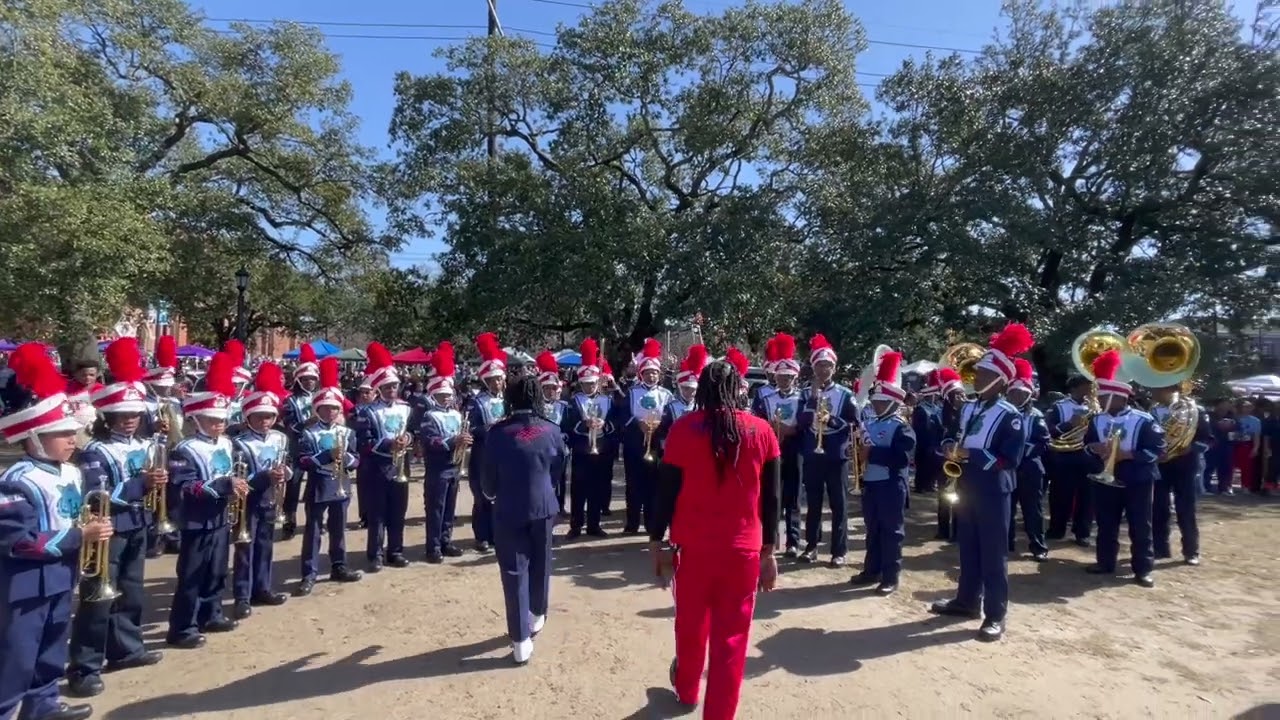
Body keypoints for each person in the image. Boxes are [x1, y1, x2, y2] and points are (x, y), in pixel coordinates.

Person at [650, 353, 780, 720]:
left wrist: (655, 541)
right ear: (738, 389)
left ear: (702, 389)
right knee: (732, 641)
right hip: (744, 551)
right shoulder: (763, 431)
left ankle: (688, 688)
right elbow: (772, 499)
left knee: (690, 626)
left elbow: (666, 492)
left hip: (692, 550)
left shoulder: (682, 429)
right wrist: (770, 553)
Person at [0, 344, 110, 720]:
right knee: (16, 655)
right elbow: (18, 540)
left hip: (63, 573)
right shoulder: (17, 479)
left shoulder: (72, 472)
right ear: (35, 439)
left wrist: (90, 529)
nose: (71, 439)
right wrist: (82, 537)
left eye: (71, 432)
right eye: (61, 433)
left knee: (51, 646)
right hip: (27, 582)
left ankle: (43, 706)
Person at [66, 339, 165, 697]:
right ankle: (85, 666)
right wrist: (142, 484)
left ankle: (126, 649)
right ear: (107, 416)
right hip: (109, 529)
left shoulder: (144, 445)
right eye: (123, 415)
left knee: (132, 592)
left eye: (135, 414)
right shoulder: (96, 450)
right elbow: (98, 495)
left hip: (138, 523)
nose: (130, 421)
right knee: (97, 597)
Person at [930, 323, 1033, 641]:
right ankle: (966, 601)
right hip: (967, 485)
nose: (978, 378)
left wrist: (972, 455)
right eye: (978, 373)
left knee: (993, 552)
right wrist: (950, 446)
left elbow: (1010, 459)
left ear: (1001, 379)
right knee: (968, 547)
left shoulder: (1010, 414)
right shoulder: (969, 407)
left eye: (986, 375)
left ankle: (996, 615)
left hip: (993, 488)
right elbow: (953, 434)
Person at [481, 375, 565, 664]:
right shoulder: (551, 430)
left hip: (508, 508)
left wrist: (493, 493)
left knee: (514, 572)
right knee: (542, 562)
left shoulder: (497, 433)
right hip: (543, 505)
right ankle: (537, 612)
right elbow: (558, 469)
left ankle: (520, 640)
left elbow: (488, 479)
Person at [166, 351, 246, 647]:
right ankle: (182, 627)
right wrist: (223, 485)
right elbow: (184, 486)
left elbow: (235, 470)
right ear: (196, 417)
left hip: (221, 516)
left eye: (221, 419)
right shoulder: (185, 449)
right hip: (197, 519)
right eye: (212, 419)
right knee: (191, 575)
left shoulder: (227, 443)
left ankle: (211, 612)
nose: (219, 424)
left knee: (216, 569)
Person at [1083, 350, 1165, 588]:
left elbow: (1157, 450)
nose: (1101, 400)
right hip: (1105, 479)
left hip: (1136, 478)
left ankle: (1143, 569)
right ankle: (1105, 562)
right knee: (1106, 523)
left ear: (1120, 397)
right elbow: (1086, 446)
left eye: (1105, 395)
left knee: (1140, 524)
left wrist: (1128, 454)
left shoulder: (1144, 420)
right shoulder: (1097, 420)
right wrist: (1095, 449)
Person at [848, 350, 914, 595]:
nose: (875, 403)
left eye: (880, 401)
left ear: (892, 402)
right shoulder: (871, 424)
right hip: (872, 484)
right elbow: (861, 450)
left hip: (891, 485)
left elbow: (902, 458)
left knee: (891, 531)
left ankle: (890, 576)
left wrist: (871, 454)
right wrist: (853, 451)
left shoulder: (901, 427)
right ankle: (871, 570)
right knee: (872, 529)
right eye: (875, 400)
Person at [296, 358, 363, 594]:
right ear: (317, 409)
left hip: (341, 483)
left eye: (335, 408)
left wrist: (345, 459)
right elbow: (303, 461)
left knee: (339, 529)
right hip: (318, 486)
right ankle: (309, 572)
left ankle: (339, 565)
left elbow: (356, 460)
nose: (331, 411)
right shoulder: (309, 433)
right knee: (313, 531)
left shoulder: (347, 432)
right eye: (326, 408)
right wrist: (326, 456)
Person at [229, 363, 292, 617]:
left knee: (266, 545)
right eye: (259, 417)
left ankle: (262, 587)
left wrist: (284, 474)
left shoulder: (281, 438)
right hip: (248, 500)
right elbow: (237, 474)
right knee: (245, 547)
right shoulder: (239, 443)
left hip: (270, 499)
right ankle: (242, 595)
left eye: (269, 417)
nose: (265, 421)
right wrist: (265, 476)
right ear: (248, 418)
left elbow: (287, 464)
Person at [795, 333, 859, 567]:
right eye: (820, 365)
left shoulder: (845, 394)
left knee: (838, 504)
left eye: (828, 366)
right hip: (813, 453)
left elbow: (854, 424)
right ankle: (811, 546)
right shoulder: (804, 393)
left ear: (834, 368)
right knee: (812, 504)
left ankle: (838, 551)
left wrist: (832, 420)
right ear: (814, 367)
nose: (824, 370)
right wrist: (812, 398)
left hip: (836, 455)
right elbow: (801, 421)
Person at [355, 343, 412, 570]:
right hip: (378, 467)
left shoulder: (406, 408)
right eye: (387, 387)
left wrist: (407, 438)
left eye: (394, 386)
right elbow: (364, 442)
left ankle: (395, 551)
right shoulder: (367, 411)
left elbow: (412, 431)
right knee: (377, 513)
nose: (391, 390)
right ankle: (375, 554)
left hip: (401, 466)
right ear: (378, 388)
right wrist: (389, 444)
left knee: (399, 511)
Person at [609, 338, 673, 535]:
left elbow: (670, 417)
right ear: (641, 373)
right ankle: (632, 522)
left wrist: (658, 426)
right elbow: (623, 416)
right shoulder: (632, 392)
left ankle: (652, 522)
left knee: (655, 485)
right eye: (648, 372)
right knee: (634, 485)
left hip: (657, 444)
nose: (651, 376)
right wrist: (639, 424)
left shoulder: (666, 394)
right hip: (636, 444)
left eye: (654, 372)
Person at [751, 333, 802, 557]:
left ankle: (793, 541)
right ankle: (772, 538)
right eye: (781, 376)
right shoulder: (765, 397)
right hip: (771, 450)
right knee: (772, 495)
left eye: (788, 376)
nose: (784, 380)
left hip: (794, 449)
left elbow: (808, 422)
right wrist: (769, 426)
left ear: (794, 378)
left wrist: (793, 430)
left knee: (793, 496)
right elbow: (757, 419)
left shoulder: (802, 398)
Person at [1150, 381, 1210, 566]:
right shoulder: (1151, 411)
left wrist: (1191, 448)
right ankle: (1160, 548)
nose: (1153, 391)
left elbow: (1207, 439)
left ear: (1170, 389)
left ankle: (1191, 551)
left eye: (1157, 388)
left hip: (1185, 464)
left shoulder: (1194, 409)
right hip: (1160, 465)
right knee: (1158, 508)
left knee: (1186, 509)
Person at [560, 339, 615, 539]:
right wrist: (585, 425)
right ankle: (575, 525)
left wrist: (603, 425)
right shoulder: (573, 401)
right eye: (586, 384)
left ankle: (594, 524)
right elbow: (568, 425)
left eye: (593, 383)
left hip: (601, 449)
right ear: (581, 383)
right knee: (578, 490)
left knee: (597, 489)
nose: (590, 387)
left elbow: (614, 424)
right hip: (582, 451)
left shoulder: (607, 400)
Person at [419, 342, 468, 564]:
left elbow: (460, 436)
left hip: (454, 466)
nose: (447, 398)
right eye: (442, 395)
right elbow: (431, 442)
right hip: (438, 467)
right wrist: (453, 441)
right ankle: (433, 546)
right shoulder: (430, 416)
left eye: (449, 394)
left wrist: (466, 441)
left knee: (450, 507)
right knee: (436, 508)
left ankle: (446, 541)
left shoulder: (457, 415)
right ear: (434, 395)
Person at [468, 332, 509, 553]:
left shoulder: (509, 400)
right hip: (484, 454)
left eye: (500, 378)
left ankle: (498, 534)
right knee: (483, 497)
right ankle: (481, 536)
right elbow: (471, 428)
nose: (498, 382)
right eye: (493, 379)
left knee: (502, 497)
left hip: (506, 454)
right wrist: (491, 427)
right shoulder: (477, 402)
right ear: (486, 380)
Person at [1007, 359, 1050, 561]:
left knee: (1032, 511)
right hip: (1007, 469)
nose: (1016, 397)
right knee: (1006, 509)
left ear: (1028, 394)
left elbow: (1042, 441)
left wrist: (1018, 452)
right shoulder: (1004, 414)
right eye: (1013, 393)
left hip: (1029, 469)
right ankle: (1006, 543)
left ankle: (1038, 546)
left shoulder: (1036, 415)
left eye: (1020, 393)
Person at [1045, 375, 1095, 546]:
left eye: (1090, 387)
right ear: (1073, 389)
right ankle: (1057, 529)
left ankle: (1083, 532)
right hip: (1064, 456)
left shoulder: (1096, 407)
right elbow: (1048, 431)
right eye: (1085, 387)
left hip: (1088, 456)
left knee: (1086, 496)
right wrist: (1069, 424)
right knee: (1060, 494)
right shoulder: (1059, 407)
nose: (1089, 390)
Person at [280, 344, 319, 540]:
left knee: (317, 483)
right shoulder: (290, 401)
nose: (310, 382)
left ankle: (316, 518)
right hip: (297, 446)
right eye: (306, 379)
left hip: (318, 447)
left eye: (313, 378)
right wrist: (306, 423)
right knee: (293, 484)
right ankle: (289, 519)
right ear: (298, 380)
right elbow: (289, 427)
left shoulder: (322, 397)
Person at [534, 351, 570, 515]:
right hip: (541, 449)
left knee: (560, 479)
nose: (550, 391)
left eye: (553, 388)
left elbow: (569, 428)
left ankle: (559, 506)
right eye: (546, 388)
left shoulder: (564, 406)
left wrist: (562, 438)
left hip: (559, 449)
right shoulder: (536, 407)